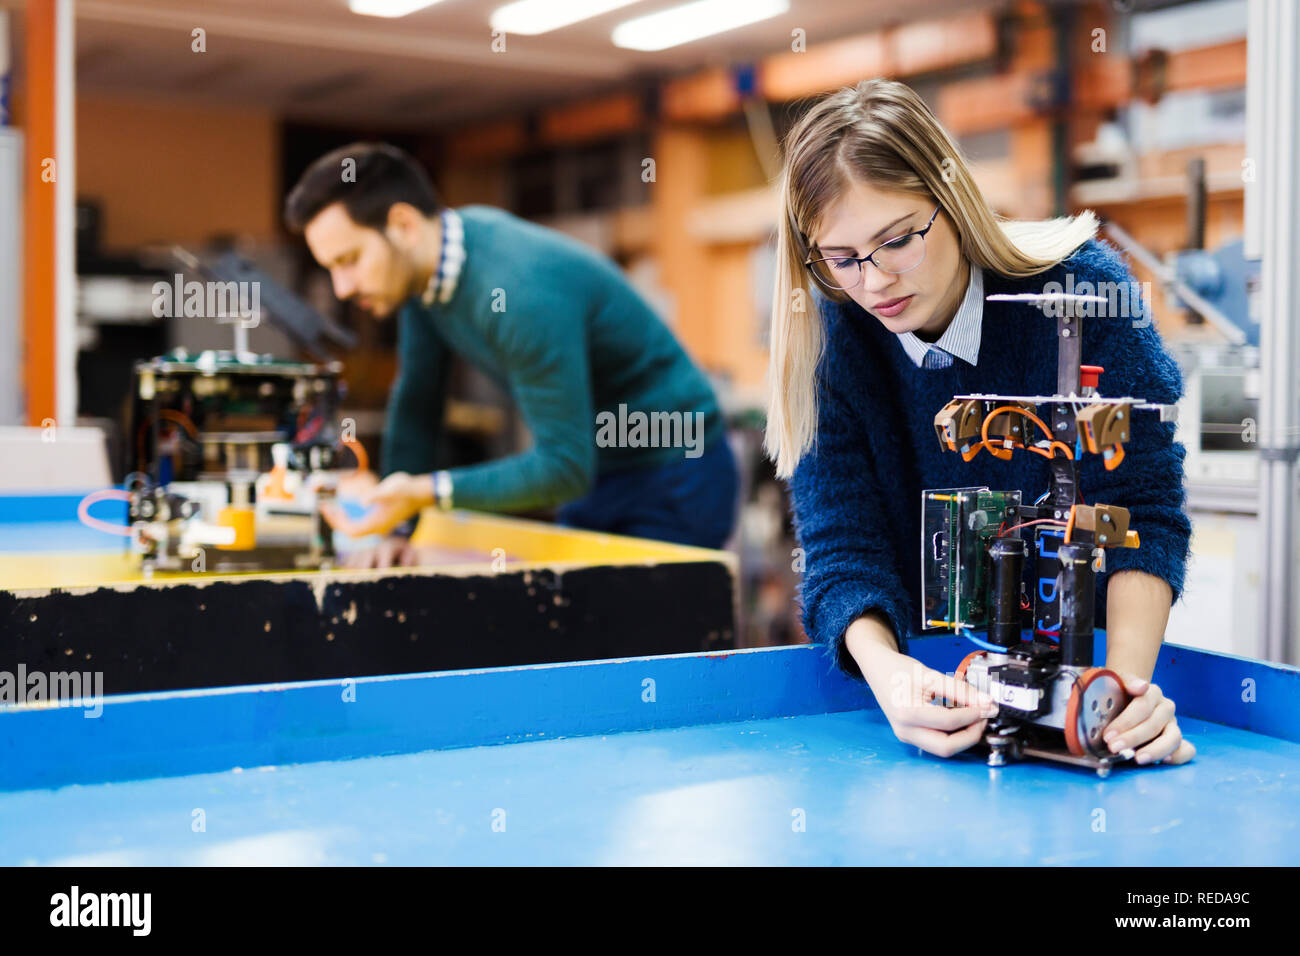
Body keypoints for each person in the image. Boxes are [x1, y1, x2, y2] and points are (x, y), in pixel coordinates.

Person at [765, 79, 1195, 765]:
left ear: (952, 199)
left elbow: (1141, 511)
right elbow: (844, 549)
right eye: (841, 259)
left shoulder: (1084, 296)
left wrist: (1121, 696)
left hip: (1076, 682)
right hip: (929, 692)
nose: (874, 282)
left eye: (897, 240)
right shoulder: (831, 339)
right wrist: (890, 675)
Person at [284, 143, 737, 565]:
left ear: (403, 226)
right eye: (331, 269)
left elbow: (563, 468)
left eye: (350, 260)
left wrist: (426, 491)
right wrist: (398, 527)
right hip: (600, 466)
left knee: (645, 622)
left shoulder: (517, 290)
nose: (342, 288)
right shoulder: (423, 281)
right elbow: (417, 400)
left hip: (676, 465)